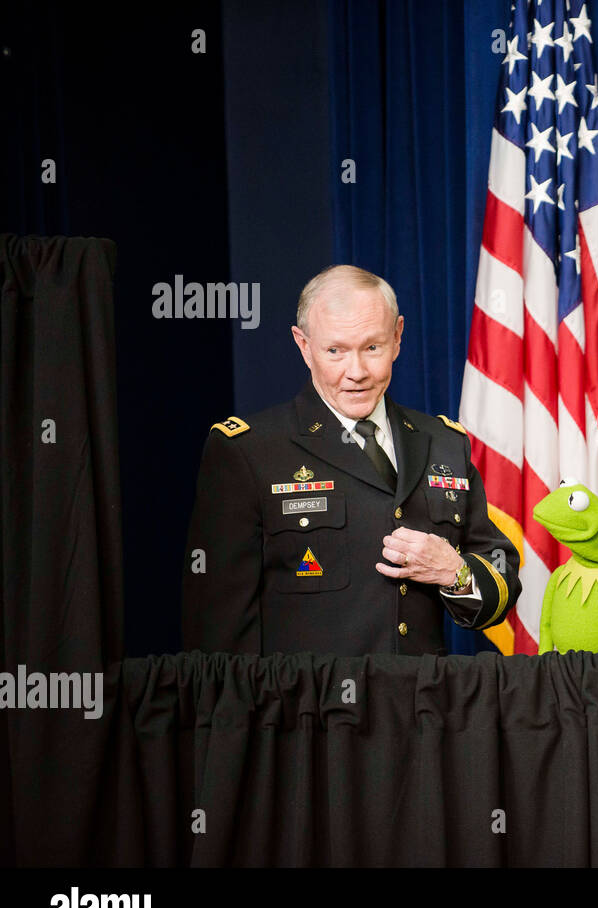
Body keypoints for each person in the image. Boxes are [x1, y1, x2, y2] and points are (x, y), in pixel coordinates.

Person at [182, 265, 521, 657]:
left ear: (397, 338)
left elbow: (502, 581)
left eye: (372, 347)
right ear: (303, 346)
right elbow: (218, 632)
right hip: (309, 713)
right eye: (335, 351)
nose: (356, 373)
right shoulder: (248, 451)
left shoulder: (444, 443)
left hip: (423, 709)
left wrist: (455, 573)